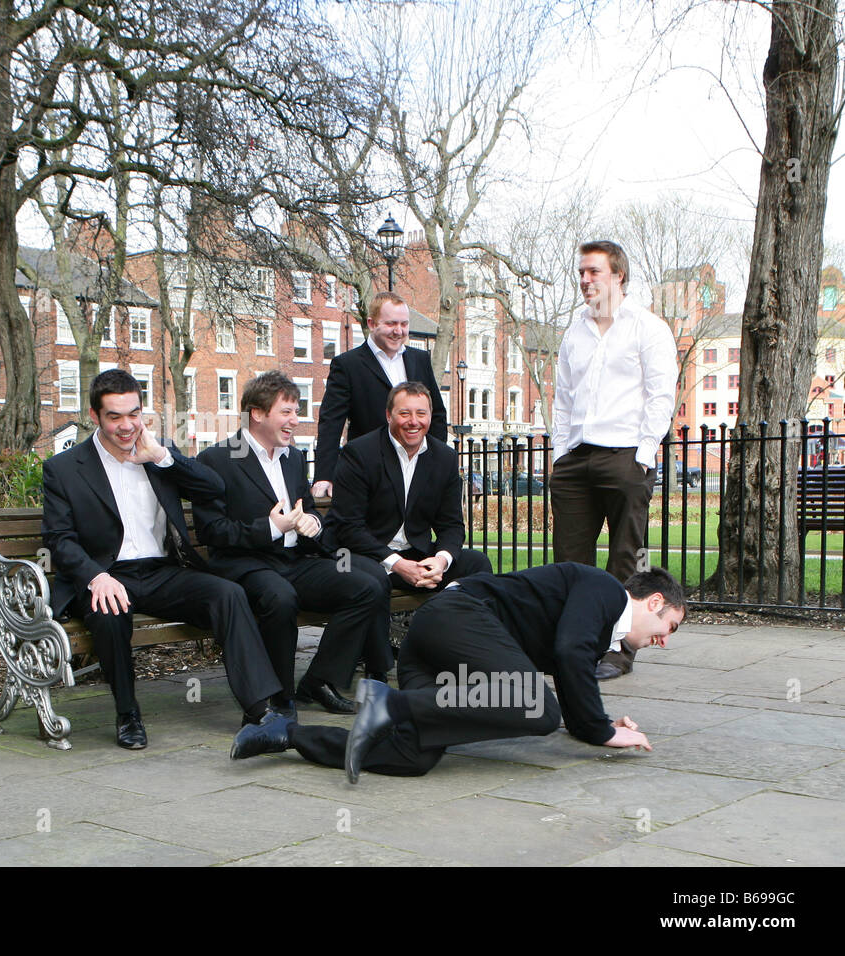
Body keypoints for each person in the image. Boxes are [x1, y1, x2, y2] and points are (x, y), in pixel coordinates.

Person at [230, 564, 684, 781]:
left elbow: (573, 674)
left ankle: (285, 733)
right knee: (536, 707)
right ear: (655, 602)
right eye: (670, 627)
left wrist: (601, 721)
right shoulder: (606, 591)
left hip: (437, 649)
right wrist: (601, 731)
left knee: (413, 757)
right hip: (456, 617)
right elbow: (567, 654)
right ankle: (390, 702)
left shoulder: (597, 629)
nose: (663, 639)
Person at [41, 369, 286, 750]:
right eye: (114, 416)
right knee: (109, 613)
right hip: (108, 575)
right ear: (94, 416)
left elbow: (213, 487)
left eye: (134, 414)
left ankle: (261, 711)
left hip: (160, 572)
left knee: (228, 594)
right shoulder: (65, 468)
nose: (127, 426)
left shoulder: (158, 452)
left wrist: (162, 457)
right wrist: (95, 577)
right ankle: (128, 714)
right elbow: (59, 539)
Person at [193, 372, 390, 718]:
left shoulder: (294, 458)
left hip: (295, 560)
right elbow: (213, 532)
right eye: (286, 412)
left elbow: (308, 510)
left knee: (368, 586)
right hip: (246, 564)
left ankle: (319, 681)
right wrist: (271, 526)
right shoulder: (217, 460)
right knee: (280, 598)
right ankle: (279, 699)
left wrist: (311, 523)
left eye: (295, 411)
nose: (295, 421)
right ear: (257, 413)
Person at [551, 240, 677, 679]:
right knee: (570, 562)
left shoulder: (648, 328)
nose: (584, 280)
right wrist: (559, 454)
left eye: (593, 272)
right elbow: (562, 400)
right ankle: (576, 646)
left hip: (625, 456)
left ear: (618, 275)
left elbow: (662, 396)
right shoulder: (574, 333)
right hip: (575, 461)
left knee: (627, 560)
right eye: (581, 272)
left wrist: (643, 455)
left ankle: (619, 650)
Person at [330, 380, 492, 613]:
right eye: (404, 413)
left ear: (430, 417)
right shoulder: (360, 453)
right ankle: (381, 651)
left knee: (477, 563)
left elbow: (451, 525)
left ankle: (457, 637)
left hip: (416, 556)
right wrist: (398, 565)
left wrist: (440, 561)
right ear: (388, 415)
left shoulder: (444, 457)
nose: (413, 422)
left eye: (421, 414)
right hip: (358, 556)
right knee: (373, 580)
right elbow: (348, 528)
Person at [311, 291, 447, 498]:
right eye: (391, 324)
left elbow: (436, 413)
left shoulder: (420, 359)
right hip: (369, 472)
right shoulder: (348, 365)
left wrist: (436, 462)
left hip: (415, 469)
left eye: (404, 324)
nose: (399, 331)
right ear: (372, 324)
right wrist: (325, 475)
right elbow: (331, 422)